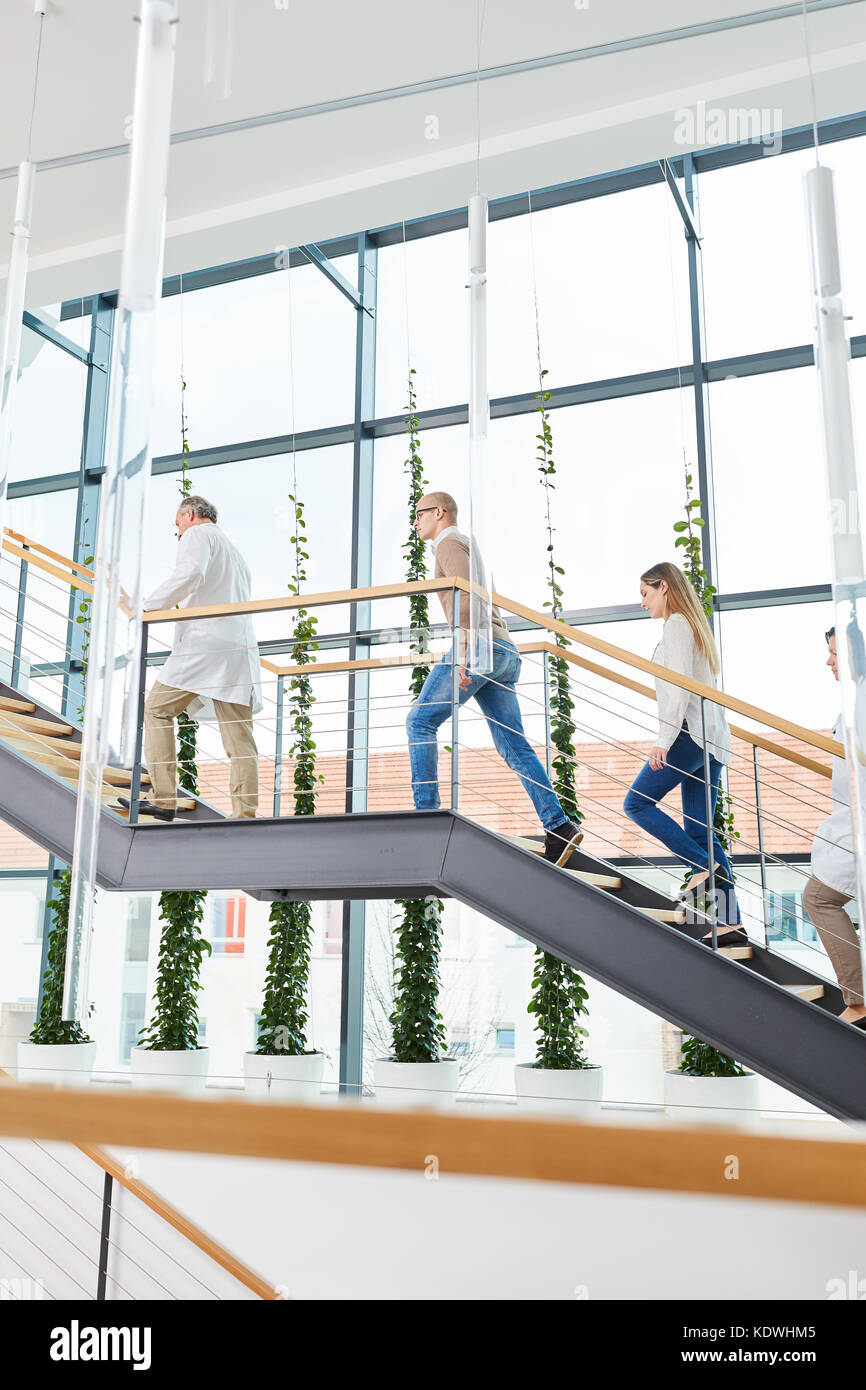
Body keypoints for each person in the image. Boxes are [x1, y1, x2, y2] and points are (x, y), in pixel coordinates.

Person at [406, 491, 584, 866]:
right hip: (503, 651)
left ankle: (426, 816)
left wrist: (466, 653)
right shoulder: (469, 545)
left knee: (419, 721)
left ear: (439, 513)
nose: (415, 522)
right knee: (514, 747)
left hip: (481, 648)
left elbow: (469, 601)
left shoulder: (449, 543)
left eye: (419, 514)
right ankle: (559, 827)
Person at [119, 495, 260, 822]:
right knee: (239, 735)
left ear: (190, 514)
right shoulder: (234, 553)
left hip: (205, 644)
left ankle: (164, 798)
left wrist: (148, 607)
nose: (178, 533)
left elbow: (190, 573)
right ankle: (245, 814)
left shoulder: (198, 535)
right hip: (236, 648)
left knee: (156, 708)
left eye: (177, 525)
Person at [622, 561, 742, 941]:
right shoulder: (693, 626)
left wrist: (663, 738)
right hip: (712, 740)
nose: (642, 602)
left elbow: (677, 690)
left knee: (636, 803)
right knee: (702, 831)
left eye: (645, 593)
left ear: (664, 588)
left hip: (688, 735)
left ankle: (700, 867)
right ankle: (730, 923)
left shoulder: (676, 626)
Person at [803, 627, 866, 1028]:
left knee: (818, 898)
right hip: (851, 821)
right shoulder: (854, 702)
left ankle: (859, 1001)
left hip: (858, 825)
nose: (828, 662)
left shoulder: (860, 703)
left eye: (833, 654)